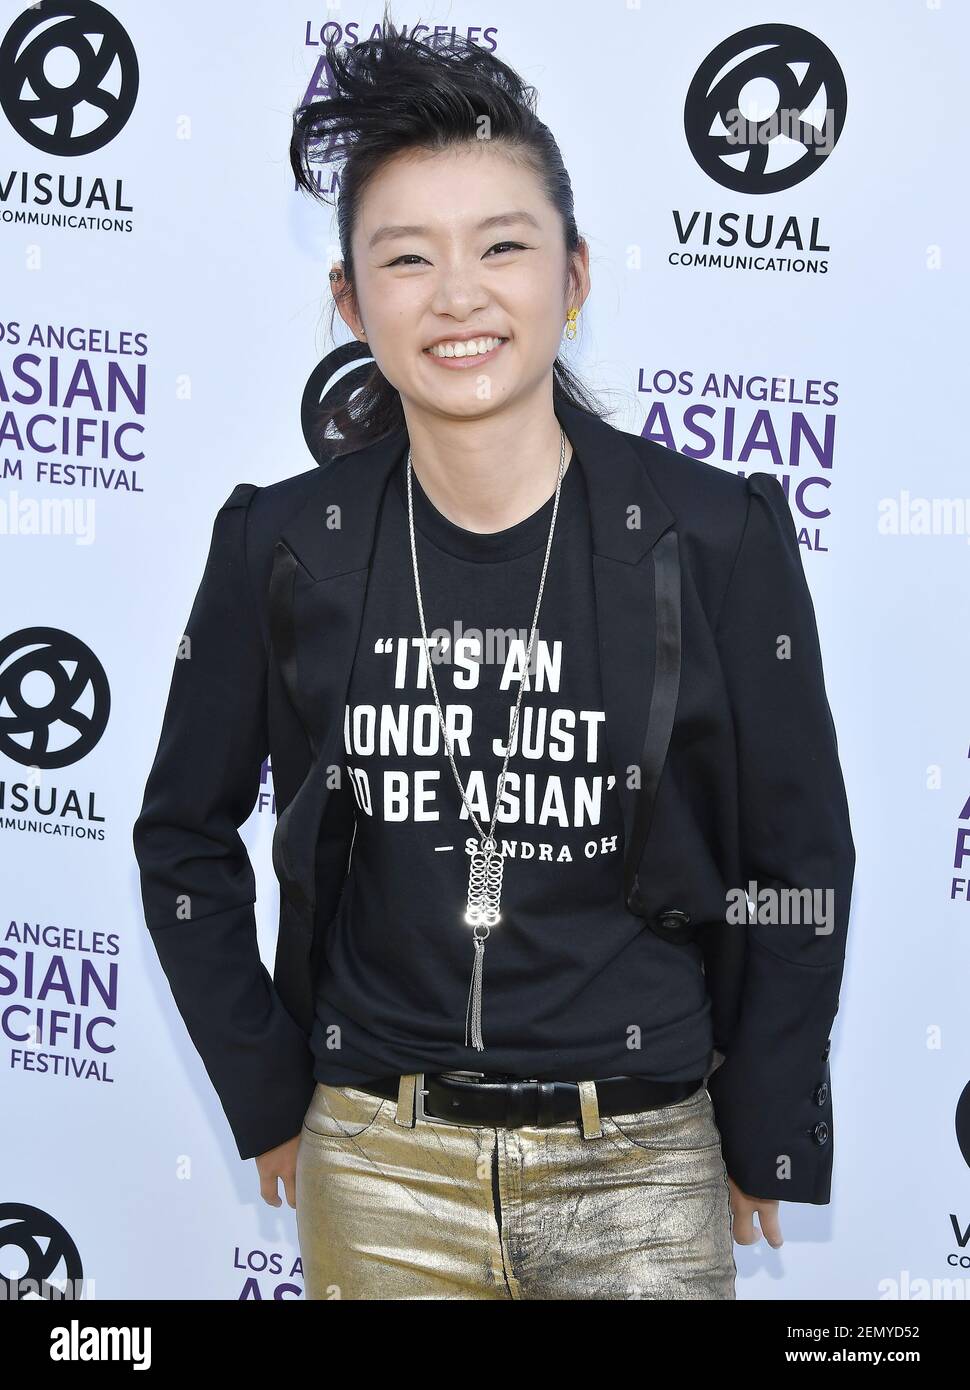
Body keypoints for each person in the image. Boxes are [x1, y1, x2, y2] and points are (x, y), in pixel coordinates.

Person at [132, 11, 855, 1301]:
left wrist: (763, 1130)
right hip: (376, 1163)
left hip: (640, 1158)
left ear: (573, 278)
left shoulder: (714, 535)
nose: (458, 296)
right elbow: (182, 837)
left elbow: (796, 864)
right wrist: (267, 1093)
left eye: (502, 248)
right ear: (349, 300)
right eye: (406, 259)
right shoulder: (284, 543)